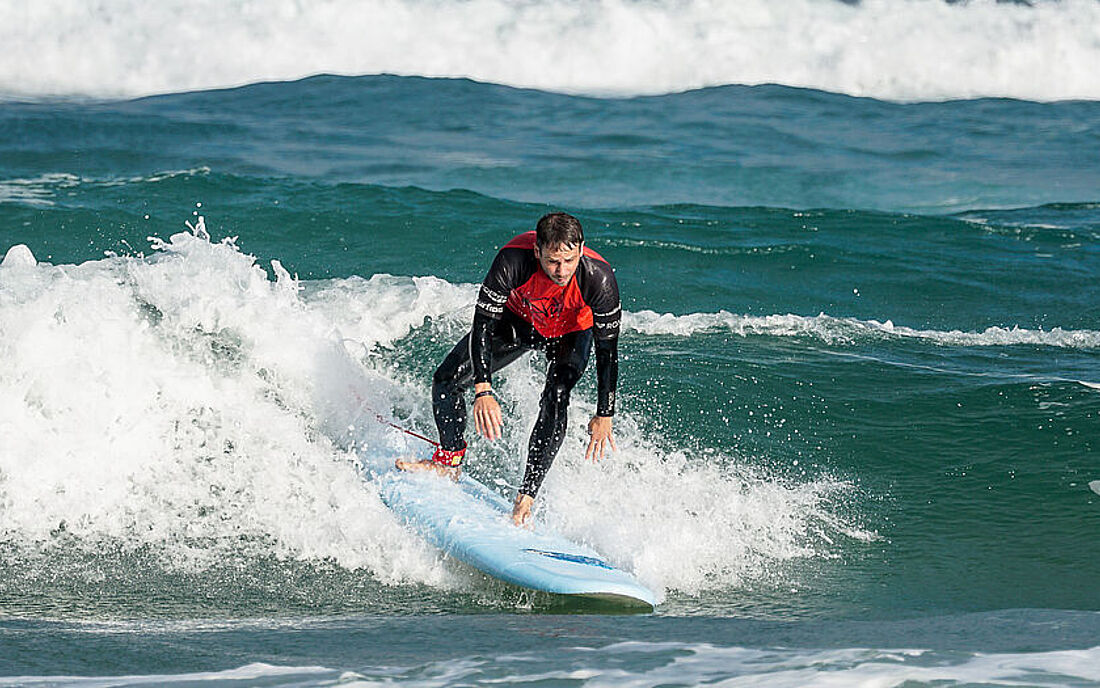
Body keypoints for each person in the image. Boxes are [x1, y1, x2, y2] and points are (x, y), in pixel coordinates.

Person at [396, 212, 621, 526]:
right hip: (519, 323)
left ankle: (525, 497)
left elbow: (607, 352)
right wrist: (483, 388)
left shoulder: (599, 278)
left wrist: (605, 413)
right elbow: (483, 326)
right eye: (553, 261)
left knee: (556, 396)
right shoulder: (512, 261)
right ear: (538, 251)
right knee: (445, 379)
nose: (562, 270)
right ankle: (449, 462)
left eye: (569, 260)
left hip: (571, 334)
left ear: (581, 250)